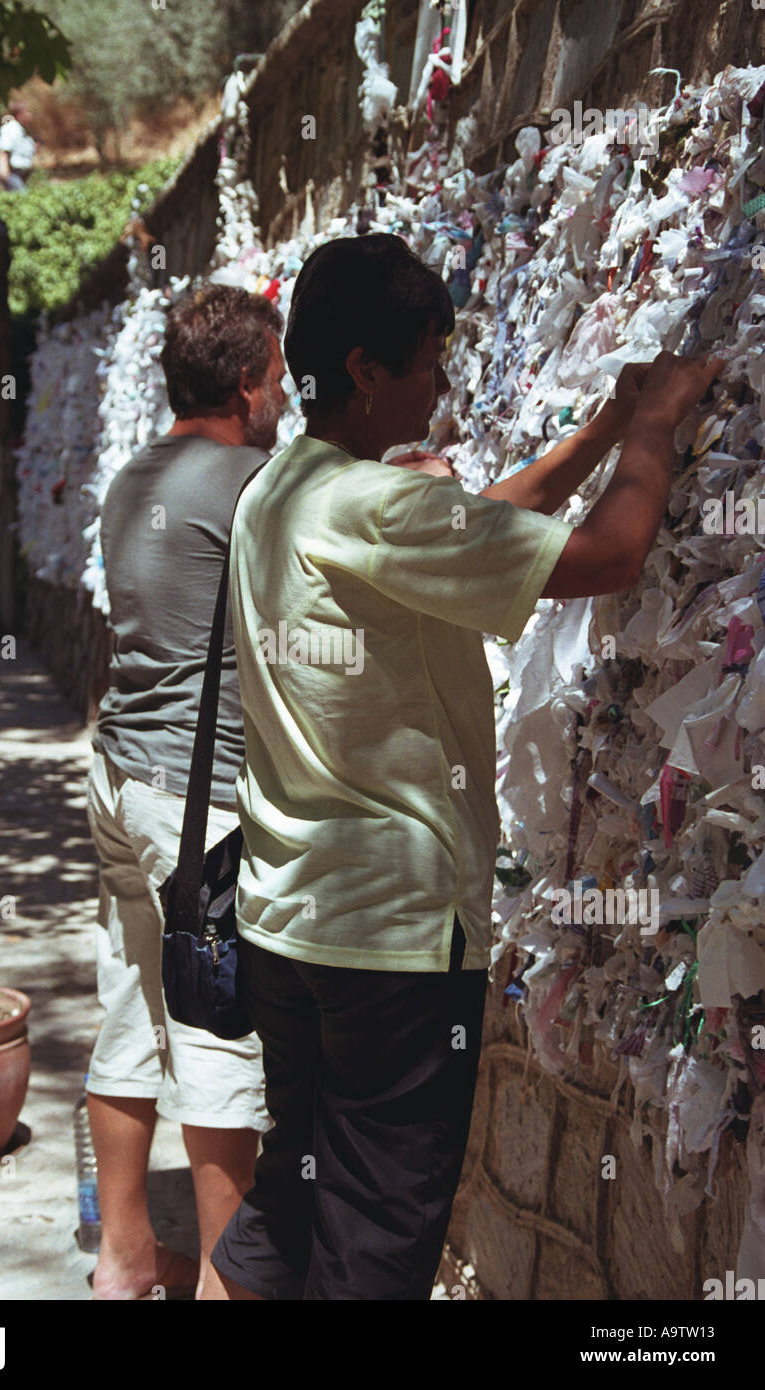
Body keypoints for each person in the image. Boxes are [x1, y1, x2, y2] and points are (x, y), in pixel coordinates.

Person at [205, 232, 724, 1300]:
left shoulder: (286, 492)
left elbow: (483, 526)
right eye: (430, 359)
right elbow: (610, 558)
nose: (442, 384)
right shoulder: (375, 505)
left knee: (287, 1202)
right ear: (362, 368)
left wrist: (602, 427)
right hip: (387, 947)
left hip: (286, 925)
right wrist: (661, 424)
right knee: (374, 1247)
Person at [84, 283, 287, 1300]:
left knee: (129, 1007)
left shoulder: (134, 476)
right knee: (217, 1034)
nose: (285, 397)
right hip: (196, 800)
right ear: (247, 384)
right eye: (281, 377)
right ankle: (222, 1282)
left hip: (118, 775)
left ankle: (122, 1262)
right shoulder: (254, 482)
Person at [0, 101, 36, 191]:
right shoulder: (11, 128)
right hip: (11, 173)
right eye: (28, 112)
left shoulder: (20, 129)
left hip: (20, 173)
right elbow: (4, 149)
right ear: (20, 115)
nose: (30, 114)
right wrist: (4, 168)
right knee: (22, 198)